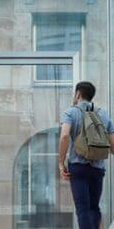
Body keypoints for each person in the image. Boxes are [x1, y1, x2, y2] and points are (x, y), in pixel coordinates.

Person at [59, 80, 114, 229]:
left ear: (78, 94)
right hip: (97, 168)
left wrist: (60, 163)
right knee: (94, 207)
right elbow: (113, 145)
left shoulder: (71, 112)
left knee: (82, 209)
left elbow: (64, 136)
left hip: (78, 167)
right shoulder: (103, 114)